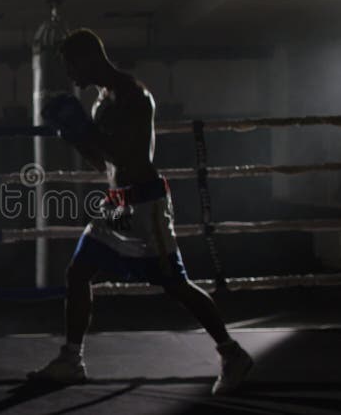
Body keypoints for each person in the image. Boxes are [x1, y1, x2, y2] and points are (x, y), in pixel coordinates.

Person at [30, 28, 253, 396]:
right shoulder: (101, 101)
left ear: (89, 58)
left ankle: (232, 354)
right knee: (78, 272)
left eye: (72, 66)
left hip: (145, 205)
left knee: (175, 285)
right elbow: (101, 161)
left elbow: (131, 157)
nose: (70, 76)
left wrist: (84, 128)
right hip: (117, 204)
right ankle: (71, 359)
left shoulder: (134, 96)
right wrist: (74, 135)